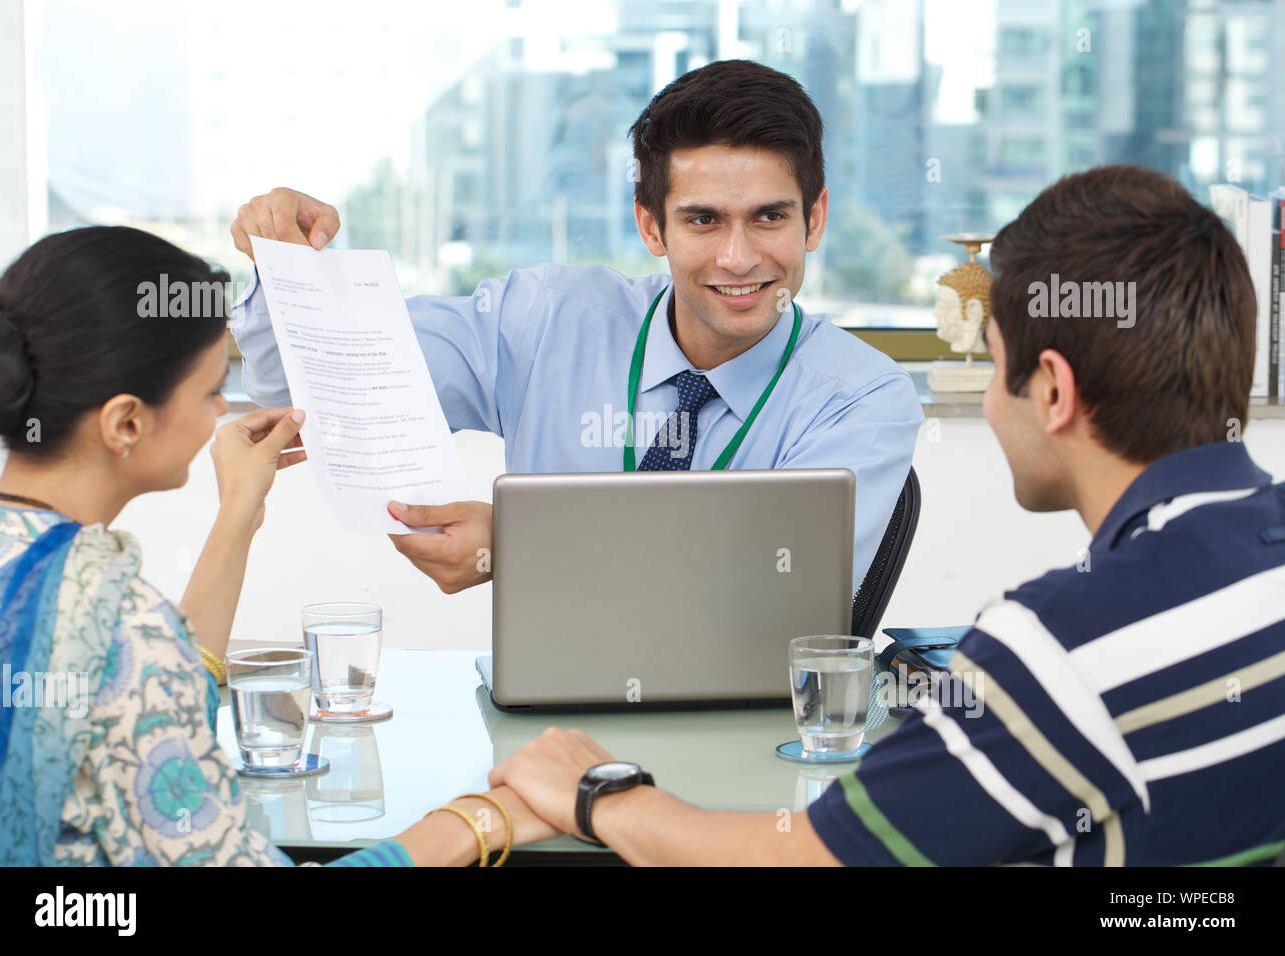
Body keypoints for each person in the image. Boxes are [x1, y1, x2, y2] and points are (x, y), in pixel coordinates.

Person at [486, 165, 1285, 866]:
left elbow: (808, 862)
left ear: (1052, 390)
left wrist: (599, 794)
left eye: (996, 359)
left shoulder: (1058, 648)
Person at [228, 59, 923, 597]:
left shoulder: (862, 396)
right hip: (547, 725)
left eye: (769, 217)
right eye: (703, 219)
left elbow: (772, 584)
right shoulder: (549, 319)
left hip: (754, 728)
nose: (738, 258)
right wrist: (288, 267)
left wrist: (530, 542)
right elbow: (320, 391)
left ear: (816, 219)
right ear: (651, 224)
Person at [0, 226, 555, 866]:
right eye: (209, 393)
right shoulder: (126, 633)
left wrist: (239, 511)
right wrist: (485, 816)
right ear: (126, 422)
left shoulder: (65, 596)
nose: (219, 417)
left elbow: (151, 706)